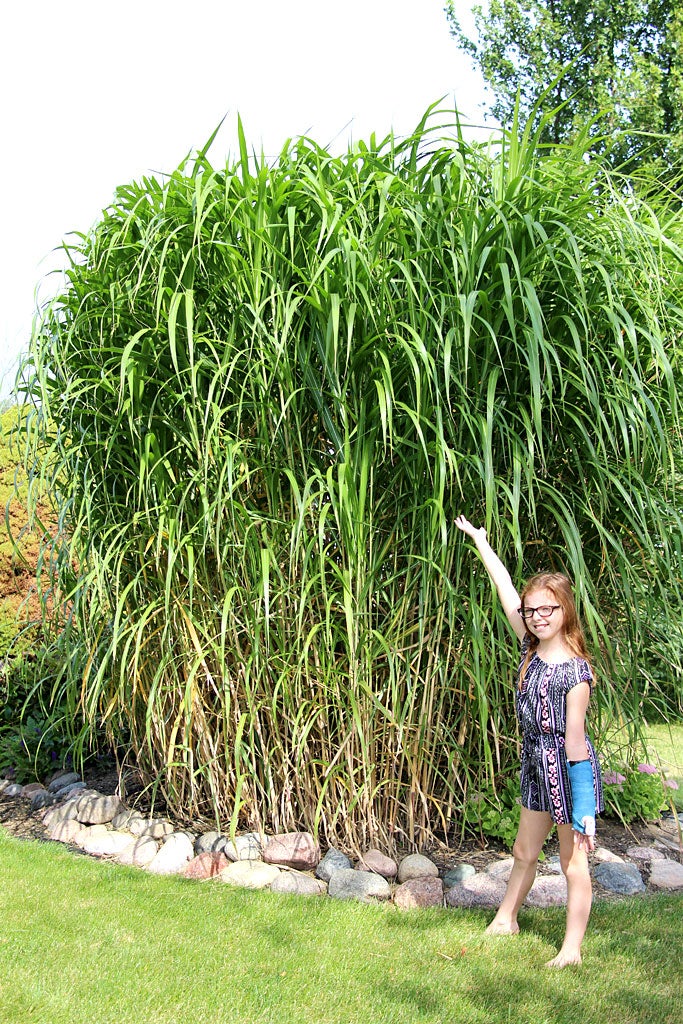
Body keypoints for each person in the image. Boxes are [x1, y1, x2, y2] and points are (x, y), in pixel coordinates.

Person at [455, 515, 603, 968]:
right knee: (523, 850)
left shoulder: (576, 672)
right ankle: (507, 919)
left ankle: (571, 949)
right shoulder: (528, 650)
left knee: (571, 862)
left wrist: (583, 810)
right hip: (535, 763)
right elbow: (505, 590)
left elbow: (576, 744)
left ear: (565, 612)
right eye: (531, 611)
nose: (537, 617)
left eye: (548, 610)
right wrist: (481, 541)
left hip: (567, 769)